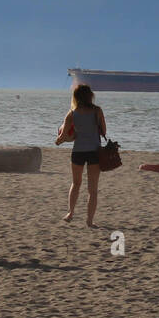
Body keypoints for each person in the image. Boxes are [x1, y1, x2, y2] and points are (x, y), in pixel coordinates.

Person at [55, 84, 106, 226]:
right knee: (93, 189)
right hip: (94, 151)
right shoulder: (97, 111)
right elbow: (104, 132)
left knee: (76, 183)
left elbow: (63, 137)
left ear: (75, 97)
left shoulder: (72, 113)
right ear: (91, 96)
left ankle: (70, 213)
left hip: (78, 152)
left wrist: (59, 140)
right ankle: (89, 221)